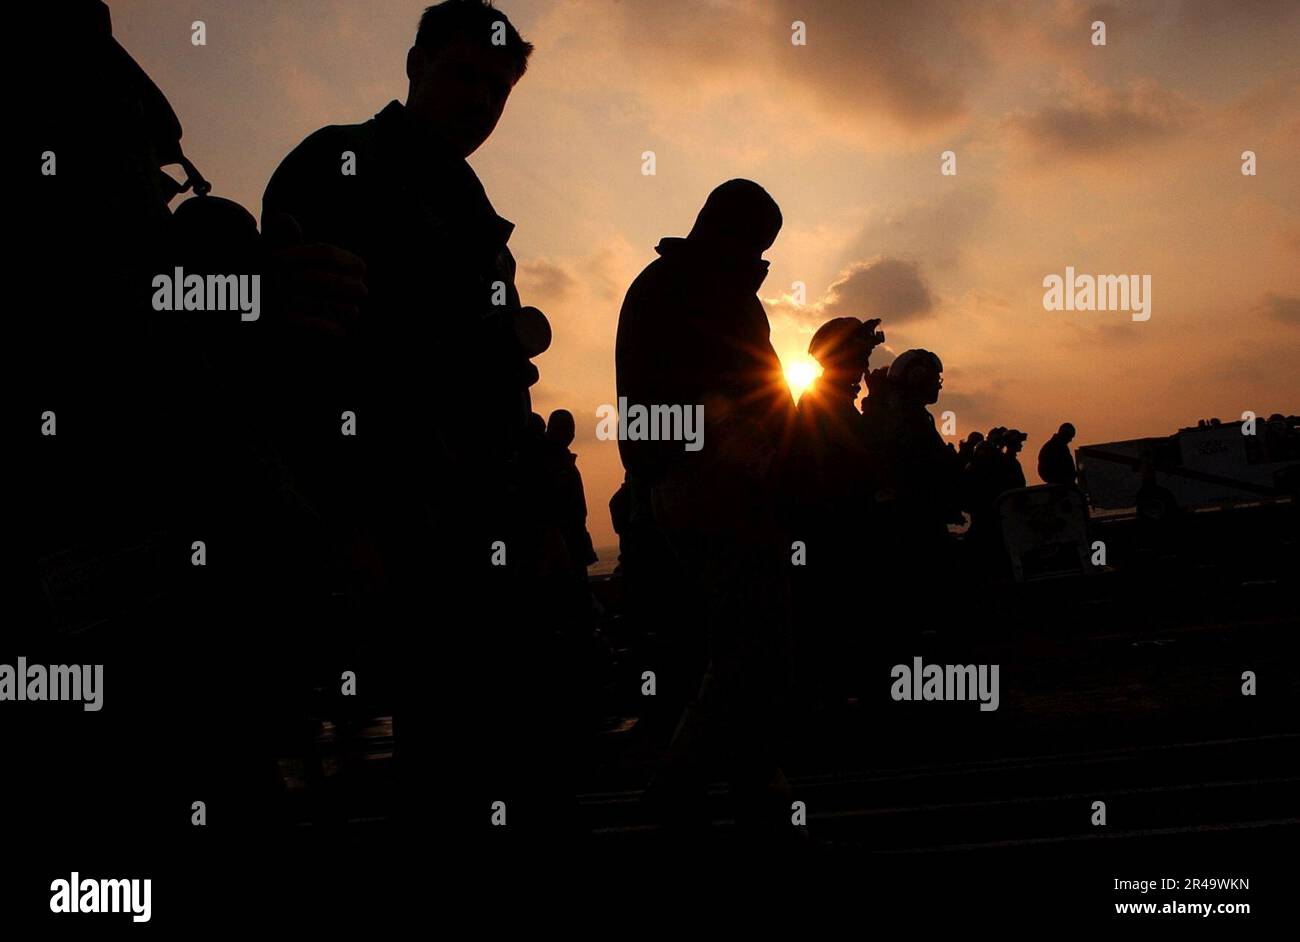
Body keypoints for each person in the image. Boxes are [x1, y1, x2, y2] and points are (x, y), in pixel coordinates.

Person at [262, 0, 565, 844]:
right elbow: (309, 367)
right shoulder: (336, 167)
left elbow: (507, 386)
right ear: (415, 64)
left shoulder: (474, 216)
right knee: (439, 773)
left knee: (480, 760)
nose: (481, 101)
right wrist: (347, 522)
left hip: (478, 522)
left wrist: (537, 514)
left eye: (499, 89)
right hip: (398, 519)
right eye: (465, 74)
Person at [616, 179, 798, 839]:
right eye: (759, 243)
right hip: (717, 486)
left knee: (741, 650)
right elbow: (745, 388)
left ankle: (758, 798)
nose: (762, 257)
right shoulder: (704, 288)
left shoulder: (675, 282)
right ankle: (678, 798)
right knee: (752, 650)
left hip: (690, 483)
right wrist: (761, 455)